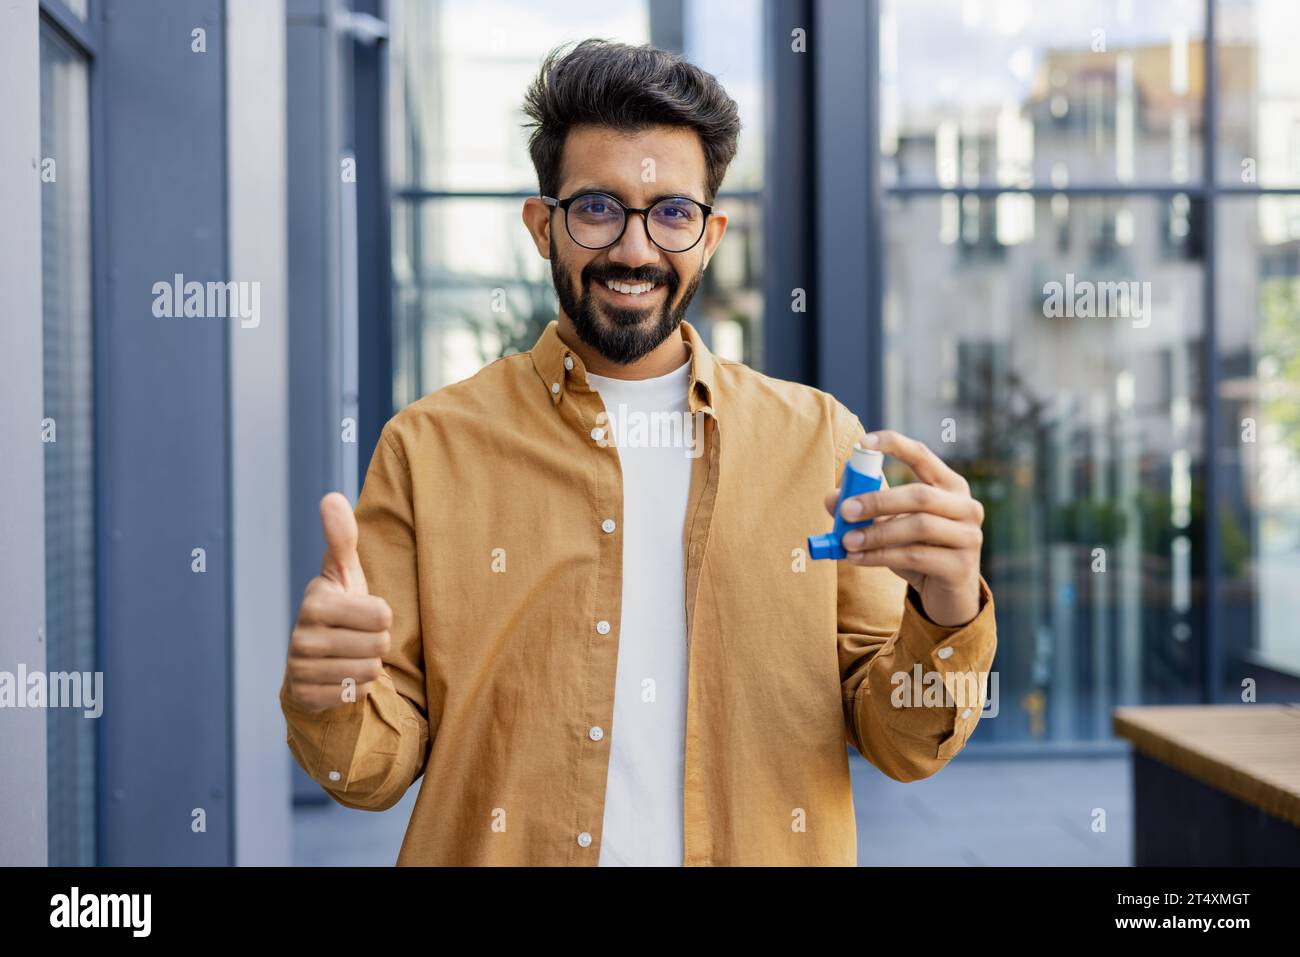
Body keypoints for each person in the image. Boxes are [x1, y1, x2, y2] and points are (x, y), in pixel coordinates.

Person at [279, 38, 996, 866]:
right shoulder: (428, 448)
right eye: (597, 208)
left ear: (710, 232)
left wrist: (947, 612)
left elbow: (898, 740)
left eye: (672, 213)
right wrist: (330, 690)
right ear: (542, 225)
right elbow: (372, 769)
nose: (634, 248)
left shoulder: (817, 441)